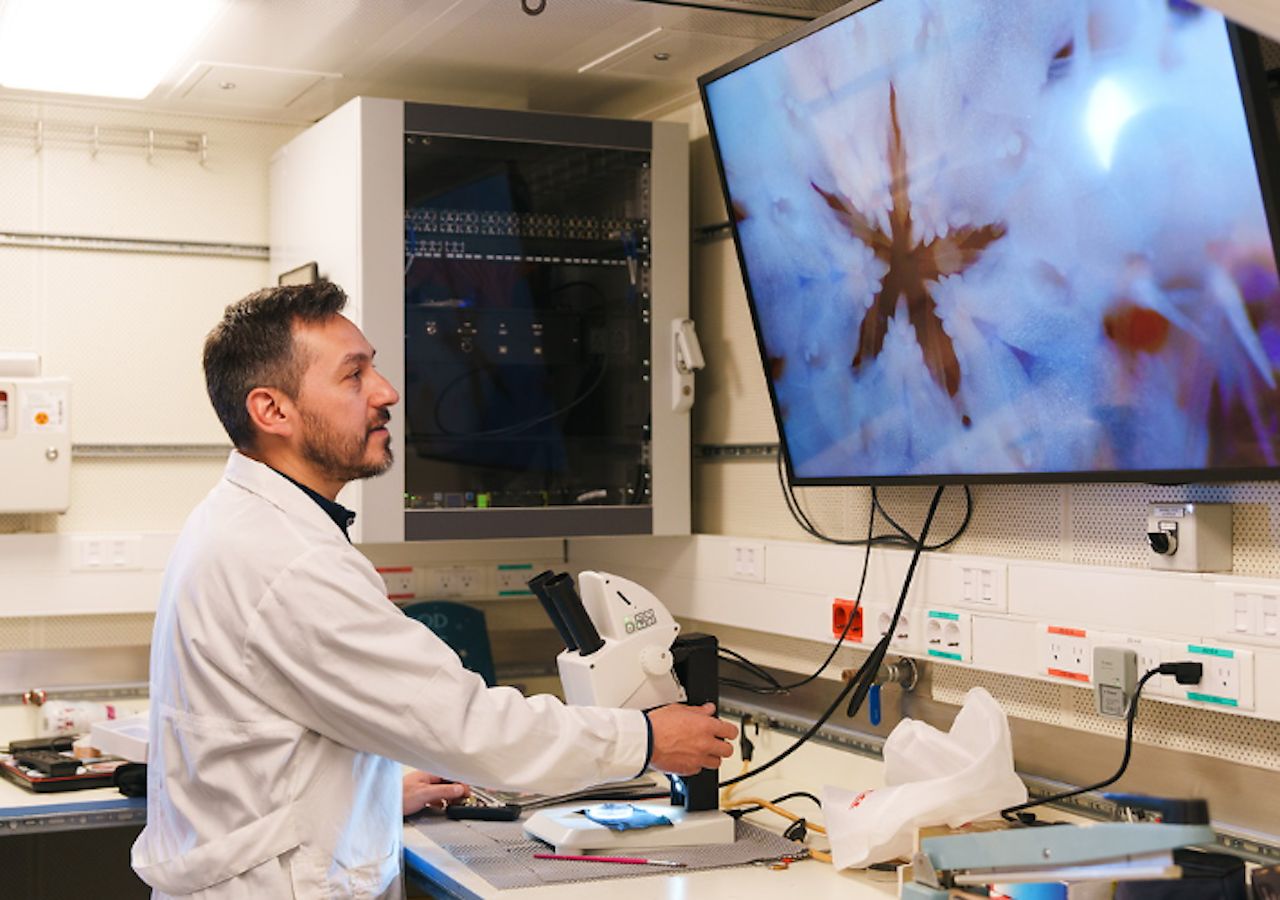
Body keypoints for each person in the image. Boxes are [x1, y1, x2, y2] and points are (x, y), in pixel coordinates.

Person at [131, 282, 737, 899]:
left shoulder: (240, 521)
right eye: (353, 375)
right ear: (273, 410)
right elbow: (468, 728)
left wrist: (366, 793)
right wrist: (647, 738)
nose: (386, 392)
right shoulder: (287, 560)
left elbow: (276, 744)